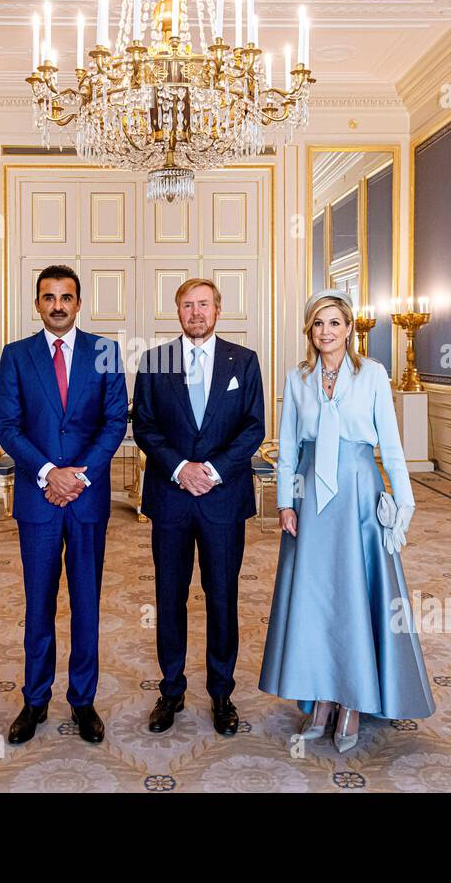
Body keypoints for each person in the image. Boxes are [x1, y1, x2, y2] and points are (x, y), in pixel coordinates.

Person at [259, 289, 435, 752]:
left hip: (359, 491)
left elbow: (391, 445)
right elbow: (289, 447)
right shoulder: (298, 379)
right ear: (309, 331)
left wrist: (404, 501)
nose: (326, 332)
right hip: (312, 495)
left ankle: (354, 700)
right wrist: (285, 503)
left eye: (334, 323)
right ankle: (319, 697)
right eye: (318, 324)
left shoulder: (372, 374)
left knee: (356, 596)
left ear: (349, 328)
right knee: (314, 598)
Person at [0, 265, 128, 745]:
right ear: (36, 304)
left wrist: (78, 475)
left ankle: (83, 700)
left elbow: (115, 422)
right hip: (39, 500)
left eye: (66, 297)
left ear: (78, 302)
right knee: (39, 603)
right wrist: (50, 473)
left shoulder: (107, 353)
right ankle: (34, 700)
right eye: (48, 297)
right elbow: (7, 425)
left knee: (87, 603)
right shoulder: (16, 356)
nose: (57, 305)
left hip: (87, 499)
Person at [132, 278, 265, 736]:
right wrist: (178, 468)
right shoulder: (154, 361)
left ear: (218, 309)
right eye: (187, 305)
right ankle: (171, 690)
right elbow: (145, 427)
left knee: (222, 596)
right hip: (171, 499)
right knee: (169, 597)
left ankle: (221, 692)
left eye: (203, 304)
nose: (196, 312)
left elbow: (253, 429)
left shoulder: (244, 362)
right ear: (177, 311)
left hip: (223, 500)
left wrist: (210, 470)